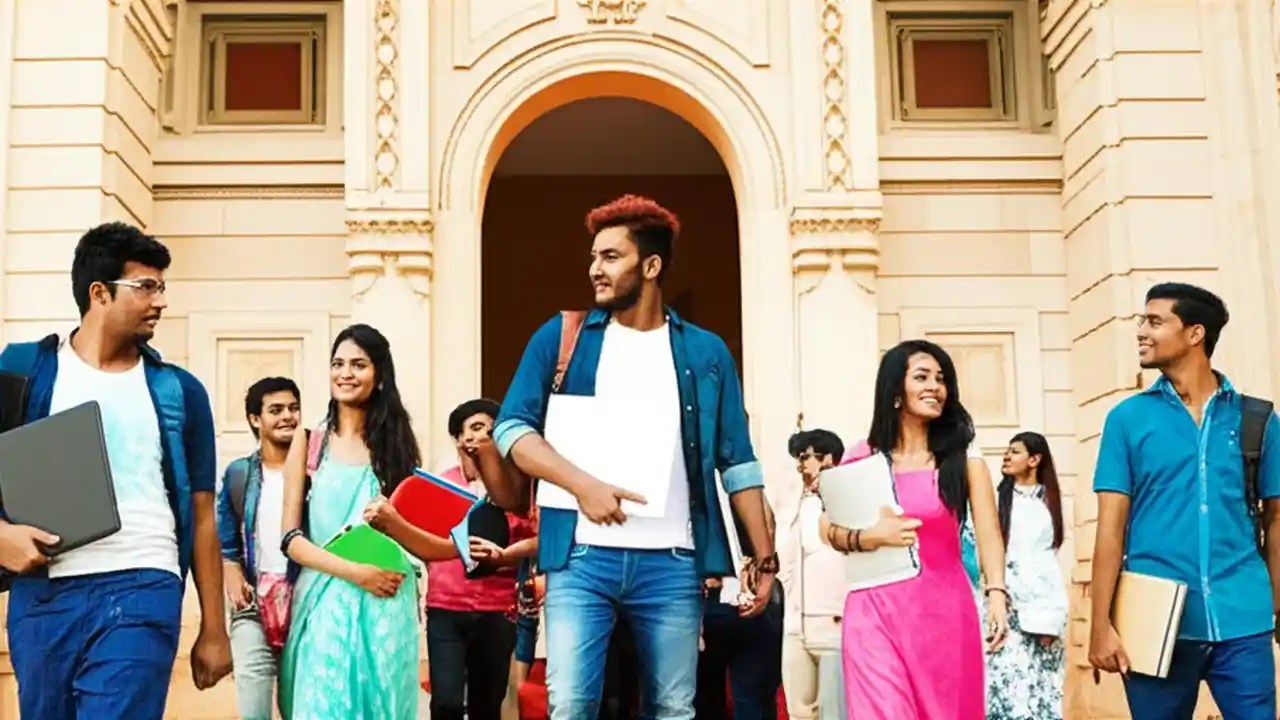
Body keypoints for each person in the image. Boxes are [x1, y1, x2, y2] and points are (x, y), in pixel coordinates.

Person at [480, 194, 778, 718]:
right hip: (579, 559)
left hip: (674, 563)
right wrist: (582, 486)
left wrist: (764, 556)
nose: (595, 269)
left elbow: (738, 462)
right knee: (571, 705)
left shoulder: (706, 353)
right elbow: (511, 429)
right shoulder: (564, 336)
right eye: (594, 256)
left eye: (610, 257)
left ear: (652, 265)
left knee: (673, 707)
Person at [0, 222, 232, 718]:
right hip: (44, 596)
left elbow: (203, 514)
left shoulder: (180, 391)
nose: (160, 300)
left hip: (143, 585)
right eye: (145, 286)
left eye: (162, 286)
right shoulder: (23, 371)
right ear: (99, 293)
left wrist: (215, 628)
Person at [1089, 283, 1280, 719]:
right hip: (1155, 623)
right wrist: (1100, 626)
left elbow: (1277, 516)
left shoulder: (1256, 420)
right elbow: (1110, 529)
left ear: (1195, 334)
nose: (1141, 330)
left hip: (1243, 619)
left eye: (1155, 321)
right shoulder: (1127, 421)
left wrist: (1273, 601)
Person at [820, 339, 1009, 720]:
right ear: (894, 392)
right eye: (921, 377)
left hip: (943, 614)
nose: (934, 387)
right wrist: (870, 537)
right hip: (873, 611)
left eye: (941, 379)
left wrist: (997, 595)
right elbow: (827, 527)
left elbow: (989, 534)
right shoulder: (864, 457)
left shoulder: (963, 460)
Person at [278, 324, 428, 719]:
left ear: (379, 376)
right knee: (325, 704)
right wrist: (355, 573)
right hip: (326, 597)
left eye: (359, 364)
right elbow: (291, 538)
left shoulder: (397, 447)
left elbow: (414, 537)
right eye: (338, 364)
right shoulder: (309, 441)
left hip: (387, 605)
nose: (346, 373)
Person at [427, 398, 537, 720]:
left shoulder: (519, 490)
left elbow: (537, 537)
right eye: (474, 429)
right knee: (445, 703)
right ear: (458, 439)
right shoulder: (440, 484)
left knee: (486, 706)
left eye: (490, 429)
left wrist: (508, 554)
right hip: (445, 608)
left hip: (497, 611)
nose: (483, 436)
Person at [217, 376, 302, 720]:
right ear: (255, 419)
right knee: (253, 706)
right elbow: (224, 537)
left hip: (304, 599)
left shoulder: (316, 471)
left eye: (293, 408)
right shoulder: (240, 474)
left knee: (300, 707)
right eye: (276, 410)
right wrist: (230, 569)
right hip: (252, 601)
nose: (287, 417)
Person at [984, 431, 1067, 719]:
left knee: (1043, 694)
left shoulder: (1048, 503)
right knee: (1006, 694)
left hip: (1044, 614)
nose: (1006, 456)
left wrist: (1051, 618)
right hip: (1004, 609)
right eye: (1007, 451)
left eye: (1015, 451)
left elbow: (1048, 562)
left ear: (1034, 459)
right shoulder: (995, 502)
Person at [778, 429, 847, 720]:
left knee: (833, 713)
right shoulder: (794, 500)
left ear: (828, 458)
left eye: (805, 457)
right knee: (799, 713)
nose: (800, 464)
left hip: (834, 622)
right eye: (798, 458)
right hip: (795, 623)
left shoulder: (848, 498)